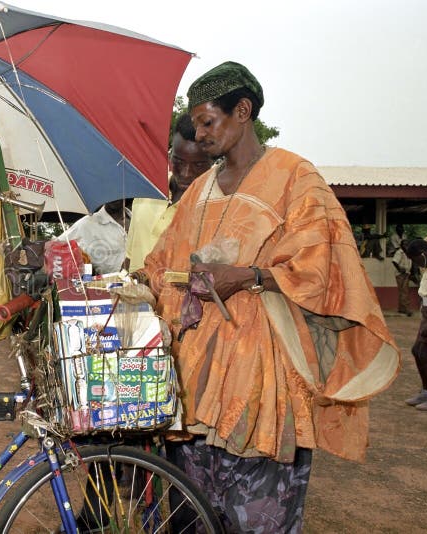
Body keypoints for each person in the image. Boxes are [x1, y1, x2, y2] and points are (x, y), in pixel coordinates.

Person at [140, 61, 400, 532]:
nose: (198, 135)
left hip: (264, 379)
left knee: (260, 516)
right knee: (195, 511)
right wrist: (127, 282)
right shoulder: (199, 190)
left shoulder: (295, 178)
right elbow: (160, 262)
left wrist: (247, 275)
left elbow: (328, 269)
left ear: (243, 111)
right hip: (195, 380)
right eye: (195, 124)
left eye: (207, 121)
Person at [125, 112, 213, 271]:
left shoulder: (216, 208)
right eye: (178, 161)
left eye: (198, 165)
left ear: (212, 162)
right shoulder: (147, 189)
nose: (186, 173)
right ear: (170, 154)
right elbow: (130, 257)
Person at [403, 239, 427, 410]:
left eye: (415, 259)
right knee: (417, 351)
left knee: (423, 353)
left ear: (423, 254)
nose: (415, 263)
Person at [57, 200, 128, 274]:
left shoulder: (136, 218)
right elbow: (55, 245)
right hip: (105, 283)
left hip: (138, 281)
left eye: (116, 190)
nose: (114, 196)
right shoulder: (86, 223)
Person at [392, 239, 413, 316]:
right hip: (401, 274)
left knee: (402, 291)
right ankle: (406, 309)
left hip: (407, 273)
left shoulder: (408, 253)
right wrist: (400, 269)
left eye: (407, 244)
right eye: (404, 244)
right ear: (401, 245)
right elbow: (394, 261)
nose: (406, 246)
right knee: (404, 291)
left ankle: (401, 308)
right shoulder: (399, 252)